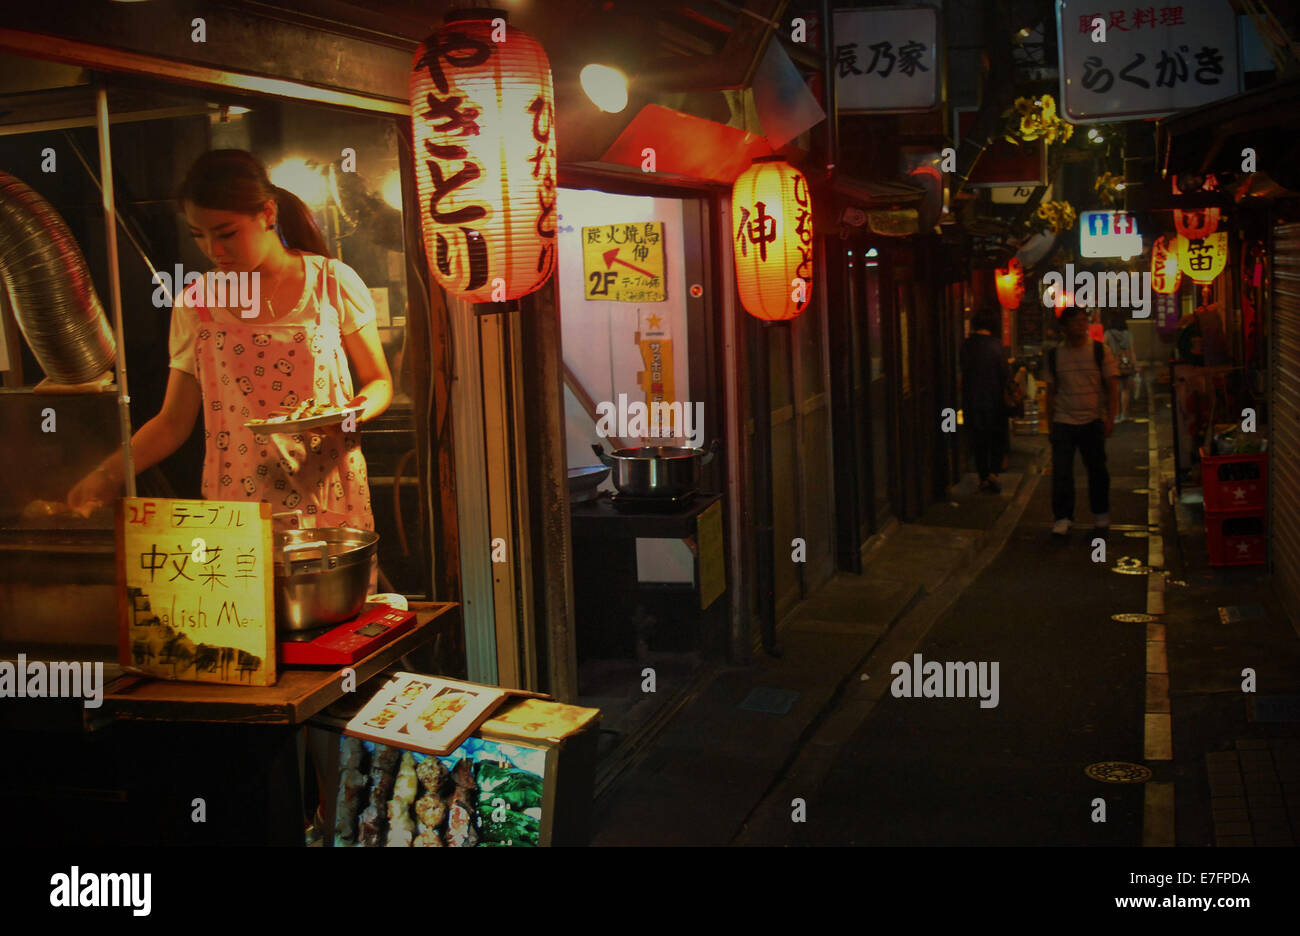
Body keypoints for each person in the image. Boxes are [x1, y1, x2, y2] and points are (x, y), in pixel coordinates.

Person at [68, 149, 393, 532]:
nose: (213, 250)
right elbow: (172, 422)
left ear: (268, 214)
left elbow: (380, 382)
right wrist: (107, 474)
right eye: (199, 236)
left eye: (226, 233)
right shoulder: (197, 302)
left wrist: (351, 413)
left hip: (328, 495)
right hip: (238, 509)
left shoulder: (331, 282)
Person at [1045, 305, 1119, 536]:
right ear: (1064, 327)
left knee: (1097, 470)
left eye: (1082, 321)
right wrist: (1050, 424)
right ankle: (1063, 517)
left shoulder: (1100, 351)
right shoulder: (1055, 355)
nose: (1080, 325)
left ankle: (1100, 514)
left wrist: (1110, 418)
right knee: (1062, 472)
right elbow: (1050, 391)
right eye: (1075, 322)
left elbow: (1112, 387)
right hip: (1063, 420)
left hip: (1092, 419)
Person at [961, 306, 1012, 494]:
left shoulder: (966, 346)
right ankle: (993, 474)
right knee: (996, 438)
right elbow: (1005, 375)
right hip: (995, 401)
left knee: (979, 440)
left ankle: (983, 477)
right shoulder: (996, 346)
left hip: (972, 400)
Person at [1103, 311, 1135, 422]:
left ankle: (1115, 415)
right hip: (1125, 365)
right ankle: (1124, 414)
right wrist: (1134, 365)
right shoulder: (1128, 334)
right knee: (1125, 390)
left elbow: (1103, 350)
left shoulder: (1108, 334)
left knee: (1115, 390)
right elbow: (1131, 351)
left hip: (1112, 364)